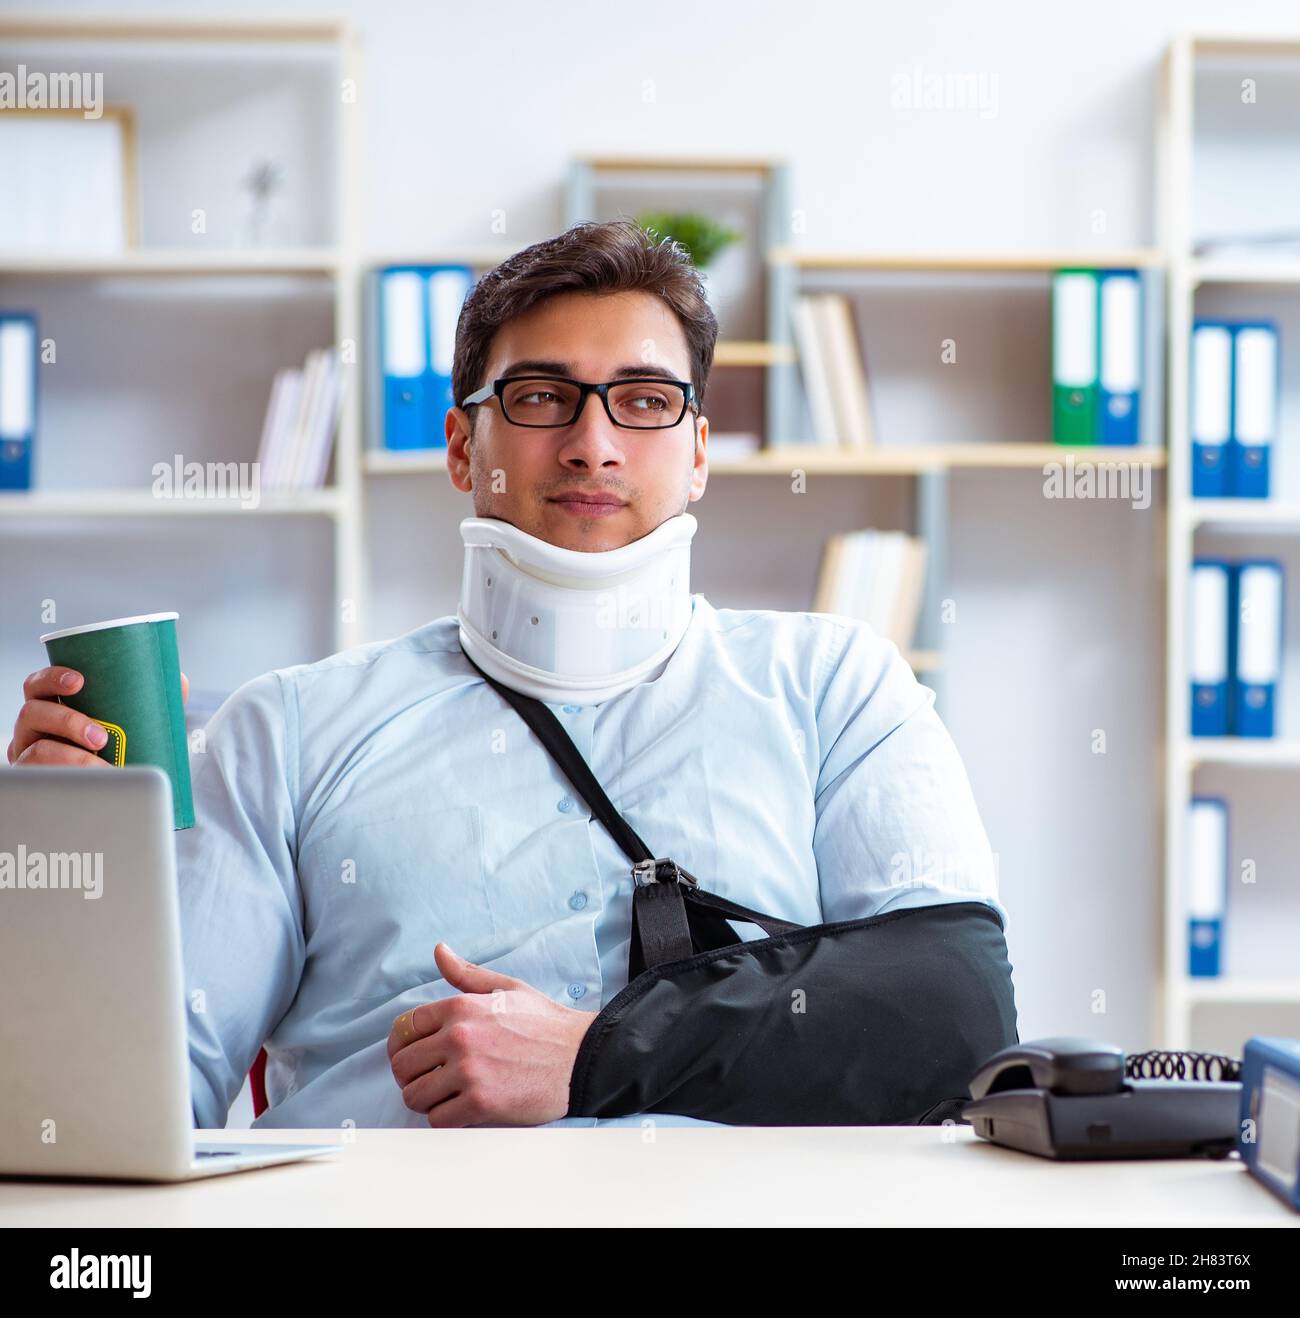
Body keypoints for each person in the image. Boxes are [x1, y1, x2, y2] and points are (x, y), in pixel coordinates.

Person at [6, 219, 1006, 1130]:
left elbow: (952, 1006)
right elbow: (112, 1110)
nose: (593, 444)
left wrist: (601, 1055)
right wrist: (63, 884)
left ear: (698, 453)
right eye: (538, 397)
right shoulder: (288, 731)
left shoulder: (834, 688)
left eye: (645, 401)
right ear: (459, 445)